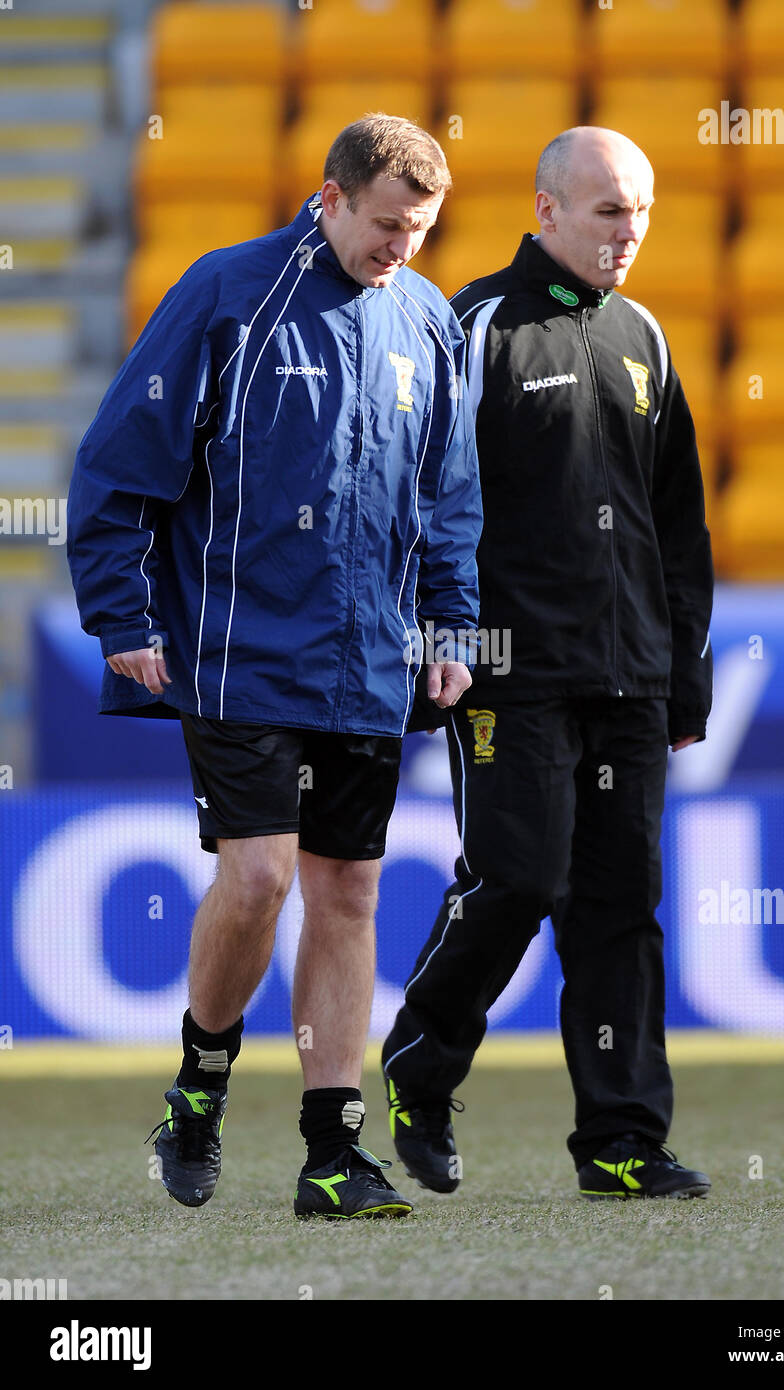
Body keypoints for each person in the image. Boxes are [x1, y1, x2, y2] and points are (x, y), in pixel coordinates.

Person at [66, 115, 482, 1220]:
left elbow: (448, 494)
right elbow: (117, 466)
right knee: (258, 878)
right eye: (387, 224)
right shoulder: (228, 294)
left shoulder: (428, 319)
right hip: (237, 647)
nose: (403, 246)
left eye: (422, 231)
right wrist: (122, 616)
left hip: (365, 659)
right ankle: (197, 1096)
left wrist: (450, 624)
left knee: (347, 890)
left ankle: (331, 1152)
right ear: (330, 197)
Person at [382, 127, 715, 1201]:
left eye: (643, 210)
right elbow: (420, 498)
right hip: (506, 670)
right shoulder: (475, 325)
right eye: (610, 209)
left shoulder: (646, 338)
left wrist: (683, 669)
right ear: (546, 211)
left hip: (630, 674)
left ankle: (622, 1141)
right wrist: (442, 638)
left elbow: (680, 522)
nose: (630, 232)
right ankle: (417, 1065)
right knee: (517, 876)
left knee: (619, 904)